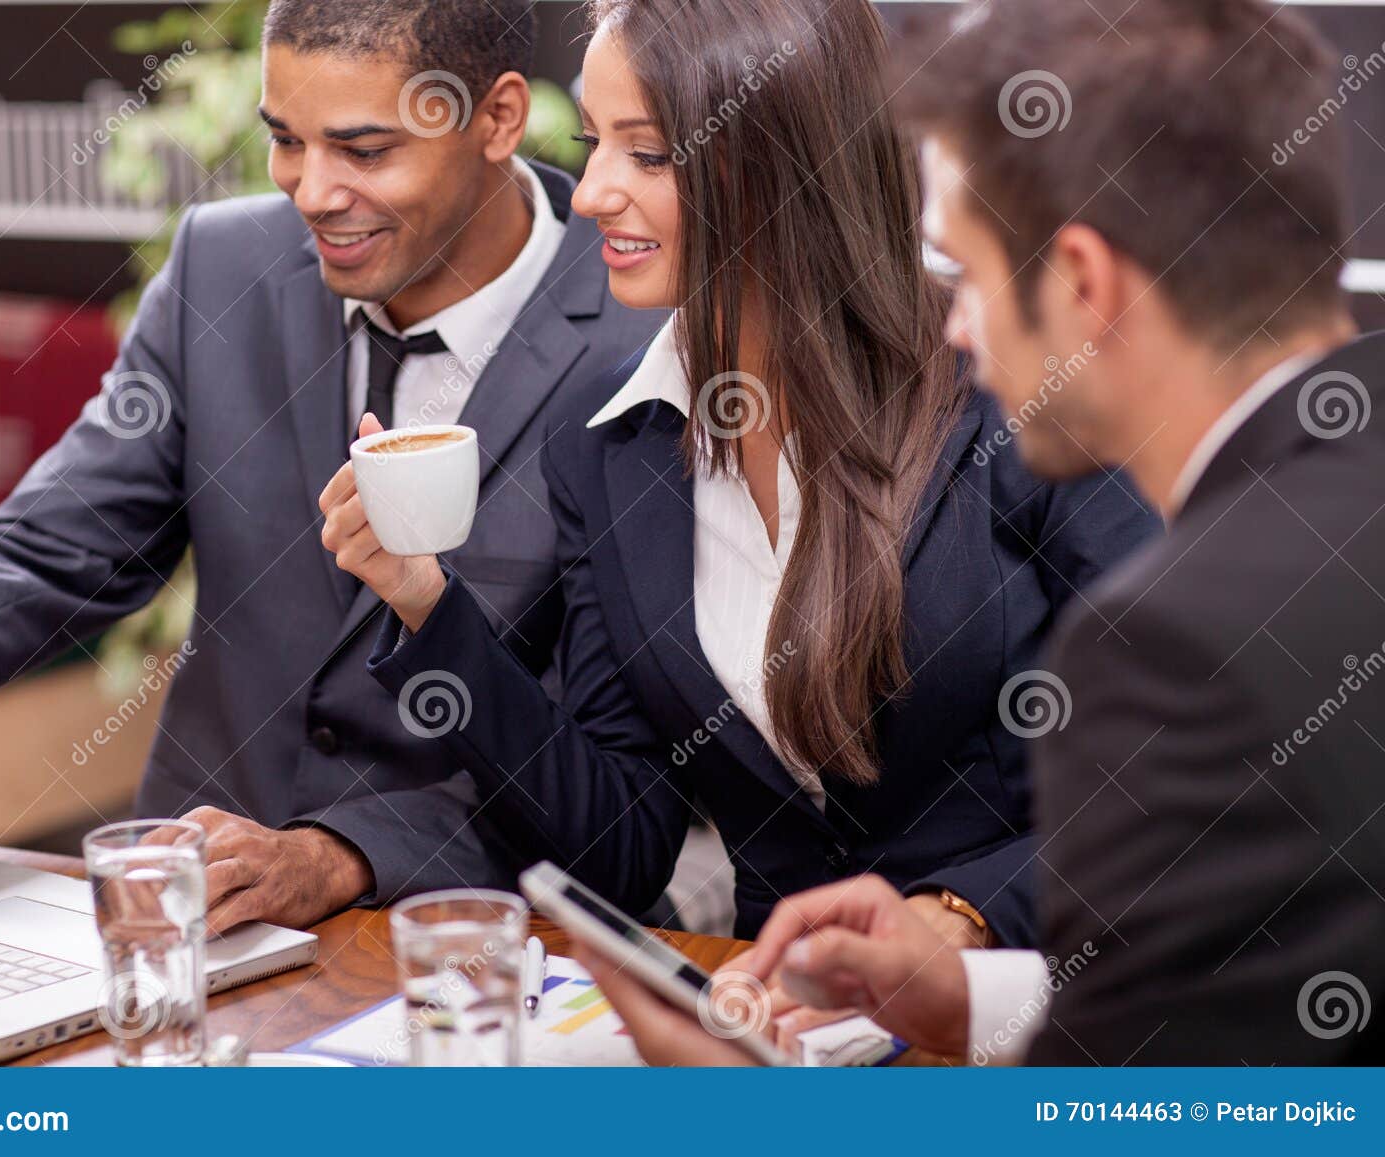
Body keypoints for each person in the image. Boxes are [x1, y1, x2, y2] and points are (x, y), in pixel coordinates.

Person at [608, 0, 1385, 1066]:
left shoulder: (1178, 642)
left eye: (964, 273)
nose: (956, 328)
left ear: (1081, 283)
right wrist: (974, 999)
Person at [0, 0, 664, 933]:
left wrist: (343, 853)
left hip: (460, 944)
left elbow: (606, 776)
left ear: (497, 118)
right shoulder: (222, 266)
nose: (312, 192)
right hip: (183, 923)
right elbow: (58, 546)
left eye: (364, 152)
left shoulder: (643, 334)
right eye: (287, 140)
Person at [320, 0, 1157, 948]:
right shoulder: (606, 447)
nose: (589, 191)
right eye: (594, 143)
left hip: (1051, 1007)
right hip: (781, 1026)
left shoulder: (1018, 386)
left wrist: (955, 919)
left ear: (780, 162)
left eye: (647, 153)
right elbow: (622, 845)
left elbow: (1180, 769)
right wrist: (429, 603)